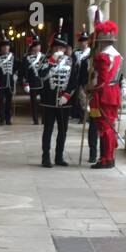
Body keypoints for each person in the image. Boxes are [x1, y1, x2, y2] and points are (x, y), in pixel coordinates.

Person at [88, 20, 125, 169]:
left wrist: (91, 88)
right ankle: (109, 157)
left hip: (103, 94)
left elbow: (101, 80)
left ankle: (105, 158)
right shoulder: (118, 56)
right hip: (114, 93)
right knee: (110, 125)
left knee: (104, 127)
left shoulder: (103, 56)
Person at [37, 35, 77, 167]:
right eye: (57, 47)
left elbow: (73, 81)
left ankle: (59, 156)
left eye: (62, 47)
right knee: (48, 129)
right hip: (48, 101)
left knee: (63, 130)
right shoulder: (46, 60)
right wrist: (52, 61)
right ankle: (45, 157)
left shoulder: (70, 61)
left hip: (64, 102)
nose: (59, 49)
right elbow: (41, 76)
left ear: (65, 49)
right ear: (53, 48)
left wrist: (67, 95)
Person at [24, 38, 46, 125]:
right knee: (34, 103)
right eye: (37, 46)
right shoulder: (27, 57)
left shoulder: (43, 56)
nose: (39, 47)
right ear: (33, 47)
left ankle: (44, 119)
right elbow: (25, 71)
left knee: (44, 102)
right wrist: (26, 82)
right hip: (32, 82)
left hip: (42, 82)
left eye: (39, 46)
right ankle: (35, 119)